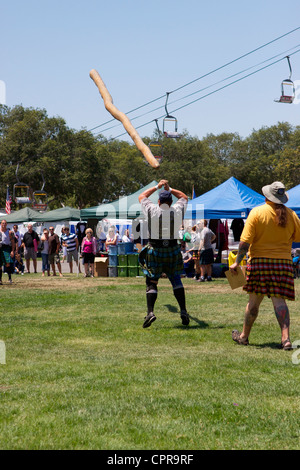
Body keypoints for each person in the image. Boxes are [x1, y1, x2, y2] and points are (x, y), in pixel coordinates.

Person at [230, 181, 300, 350]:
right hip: (283, 263)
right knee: (279, 301)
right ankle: (286, 340)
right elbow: (297, 237)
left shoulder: (257, 212)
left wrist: (236, 263)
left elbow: (245, 242)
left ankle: (244, 337)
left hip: (259, 262)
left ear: (266, 196)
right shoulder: (292, 215)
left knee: (253, 303)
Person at [138, 179, 189, 328]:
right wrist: (169, 187)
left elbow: (142, 196)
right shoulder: (177, 210)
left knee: (152, 282)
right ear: (171, 201)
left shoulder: (151, 210)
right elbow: (184, 197)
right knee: (176, 279)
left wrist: (157, 186)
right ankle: (184, 311)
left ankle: (150, 312)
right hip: (172, 249)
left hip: (155, 250)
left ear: (159, 201)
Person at [0, 219, 16, 285]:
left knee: (7, 264)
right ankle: (0, 280)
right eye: (2, 223)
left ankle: (10, 279)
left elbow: (13, 242)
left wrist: (12, 251)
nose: (4, 225)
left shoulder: (10, 232)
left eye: (5, 223)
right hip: (0, 248)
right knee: (0, 265)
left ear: (6, 224)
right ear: (1, 224)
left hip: (6, 248)